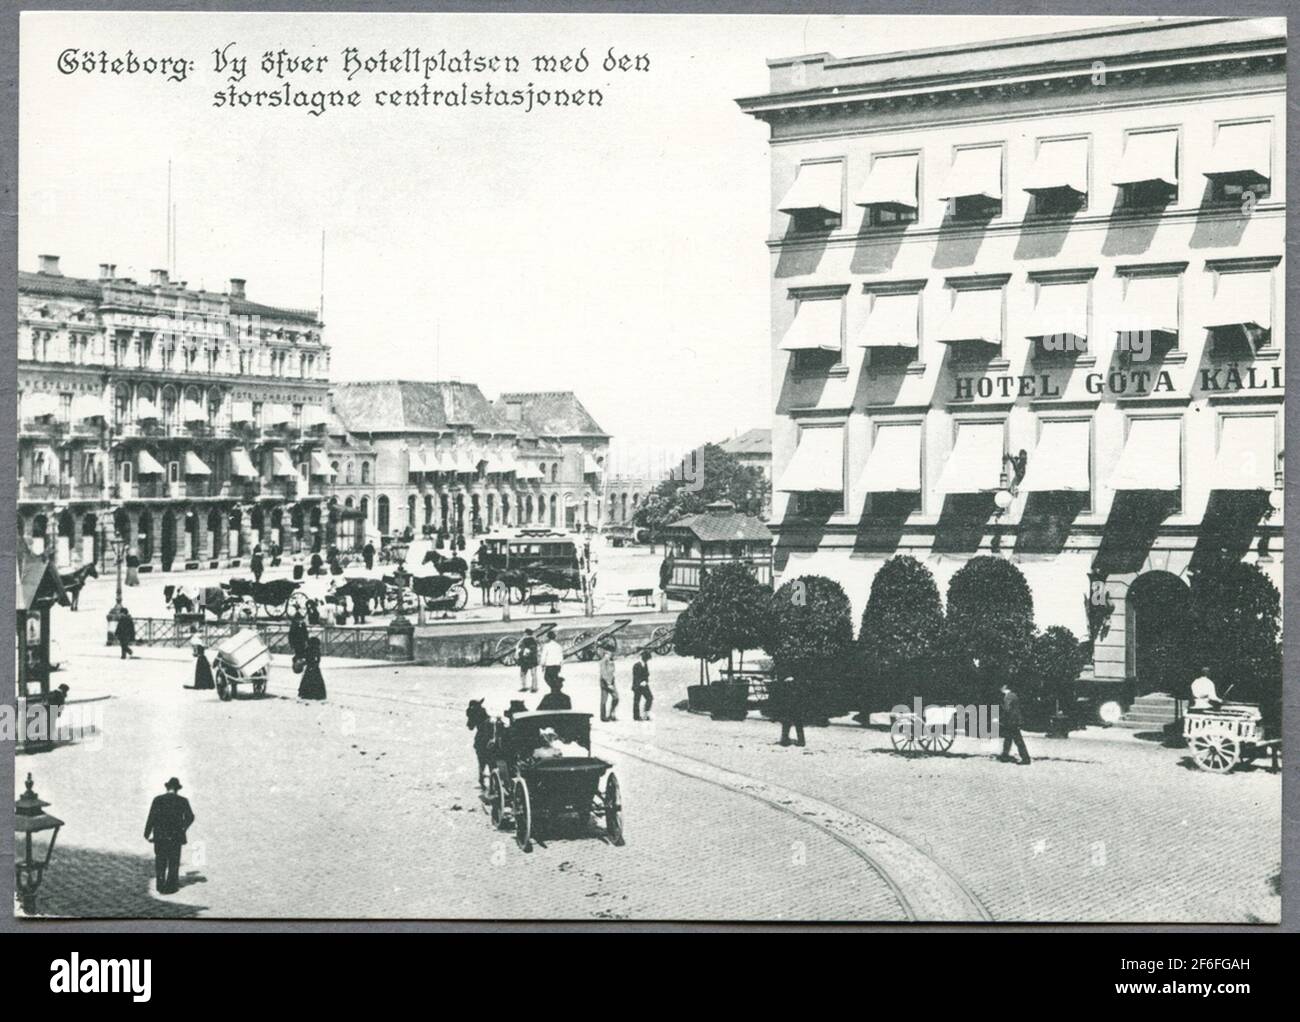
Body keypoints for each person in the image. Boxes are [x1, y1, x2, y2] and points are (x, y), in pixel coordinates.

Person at [143, 777, 194, 895]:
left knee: (160, 861)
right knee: (173, 861)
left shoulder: (158, 800)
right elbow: (190, 817)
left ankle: (160, 886)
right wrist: (183, 828)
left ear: (167, 787)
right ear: (177, 789)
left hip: (160, 837)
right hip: (176, 837)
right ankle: (171, 887)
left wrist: (147, 833)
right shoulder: (183, 801)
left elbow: (152, 817)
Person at [999, 683, 1031, 765]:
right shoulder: (1014, 695)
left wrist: (1002, 717)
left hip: (1011, 721)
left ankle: (1025, 758)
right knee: (1008, 739)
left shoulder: (1008, 696)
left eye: (1001, 687)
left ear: (1005, 687)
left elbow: (1007, 709)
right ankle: (1004, 755)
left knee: (1017, 740)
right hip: (1014, 720)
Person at [773, 676, 808, 747]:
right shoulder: (798, 689)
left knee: (787, 724)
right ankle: (801, 740)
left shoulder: (787, 690)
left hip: (790, 709)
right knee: (798, 724)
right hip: (796, 709)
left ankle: (785, 739)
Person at [632, 650, 653, 721]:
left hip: (644, 685)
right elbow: (635, 677)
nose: (646, 661)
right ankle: (636, 716)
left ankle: (645, 714)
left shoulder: (645, 664)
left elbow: (647, 675)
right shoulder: (636, 665)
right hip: (637, 686)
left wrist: (646, 681)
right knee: (636, 701)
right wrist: (640, 682)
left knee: (650, 698)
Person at [517, 628, 539, 693]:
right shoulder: (534, 640)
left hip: (524, 659)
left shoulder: (523, 640)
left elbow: (520, 649)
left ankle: (523, 687)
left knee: (523, 673)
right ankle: (534, 687)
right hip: (532, 659)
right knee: (533, 674)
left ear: (526, 633)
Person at [599, 650, 619, 722]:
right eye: (608, 654)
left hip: (611, 682)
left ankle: (611, 714)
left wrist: (612, 682)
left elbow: (612, 672)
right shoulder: (602, 662)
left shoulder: (611, 662)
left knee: (616, 698)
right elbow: (604, 673)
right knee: (604, 700)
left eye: (610, 653)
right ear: (605, 654)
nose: (609, 655)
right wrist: (608, 684)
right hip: (605, 683)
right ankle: (603, 717)